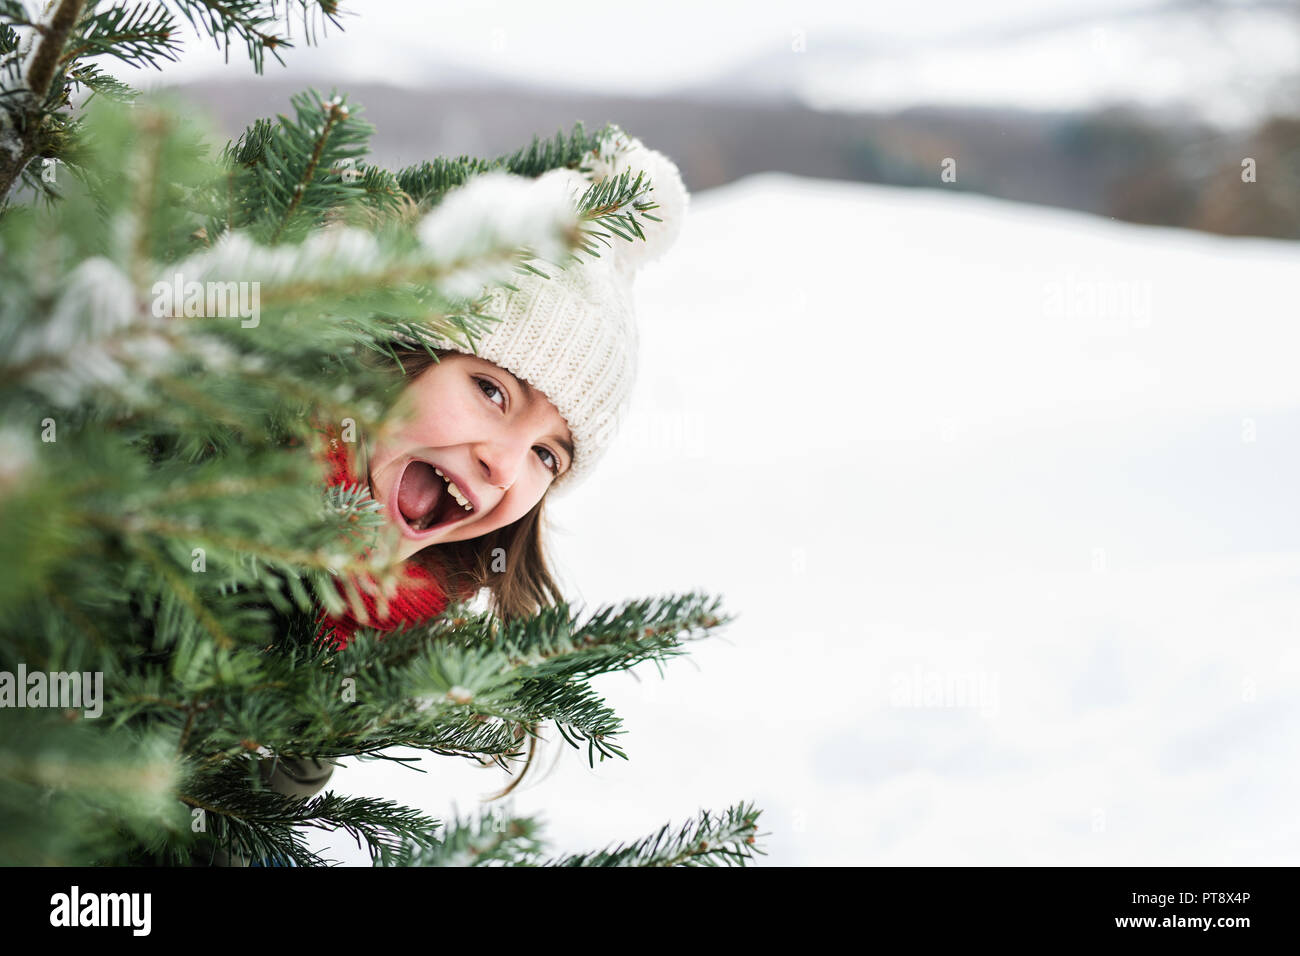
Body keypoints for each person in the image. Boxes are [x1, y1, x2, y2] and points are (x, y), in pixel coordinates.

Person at [243, 127, 691, 859]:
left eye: (548, 453)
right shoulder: (194, 454)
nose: (505, 466)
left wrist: (254, 797)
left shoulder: (356, 646)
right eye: (492, 390)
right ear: (400, 356)